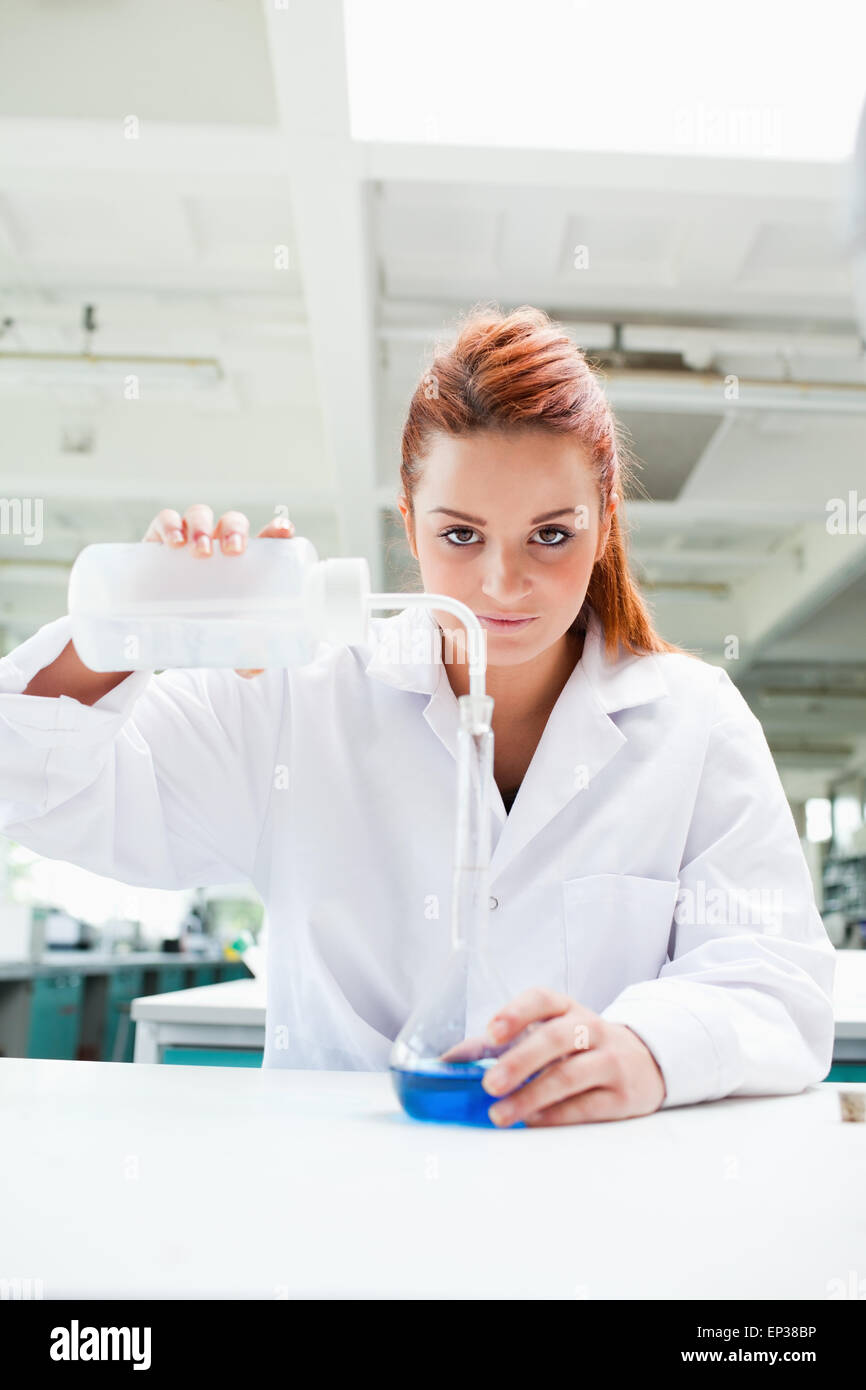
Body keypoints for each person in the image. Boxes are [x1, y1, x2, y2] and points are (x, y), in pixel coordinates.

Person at [0, 305, 835, 1126]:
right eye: (462, 535)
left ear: (605, 520)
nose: (504, 585)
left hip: (590, 1201)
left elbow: (777, 982)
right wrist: (133, 626)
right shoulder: (298, 697)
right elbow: (32, 788)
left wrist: (645, 1051)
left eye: (550, 535)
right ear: (409, 520)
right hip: (343, 1211)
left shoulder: (693, 723)